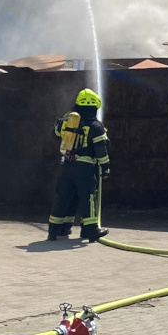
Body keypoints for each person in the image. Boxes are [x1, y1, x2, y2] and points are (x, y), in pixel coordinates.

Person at [48, 87, 110, 241]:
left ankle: (56, 230)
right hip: (85, 168)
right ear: (95, 107)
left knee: (63, 197)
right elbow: (101, 150)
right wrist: (106, 167)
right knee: (87, 198)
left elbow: (55, 133)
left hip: (66, 166)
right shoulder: (96, 126)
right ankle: (90, 231)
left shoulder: (69, 121)